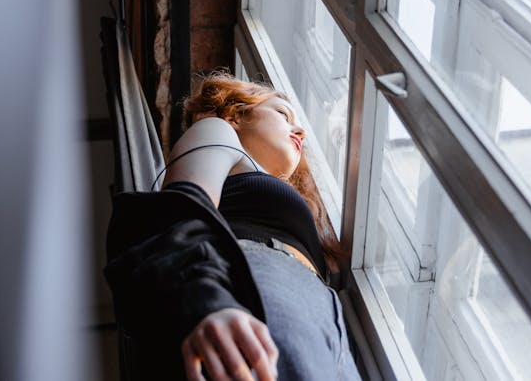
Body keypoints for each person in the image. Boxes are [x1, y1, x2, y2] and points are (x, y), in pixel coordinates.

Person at [104, 72, 362, 381]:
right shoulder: (218, 131)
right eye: (282, 113)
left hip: (320, 313)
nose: (300, 130)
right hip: (256, 282)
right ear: (237, 114)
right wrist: (210, 301)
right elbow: (183, 207)